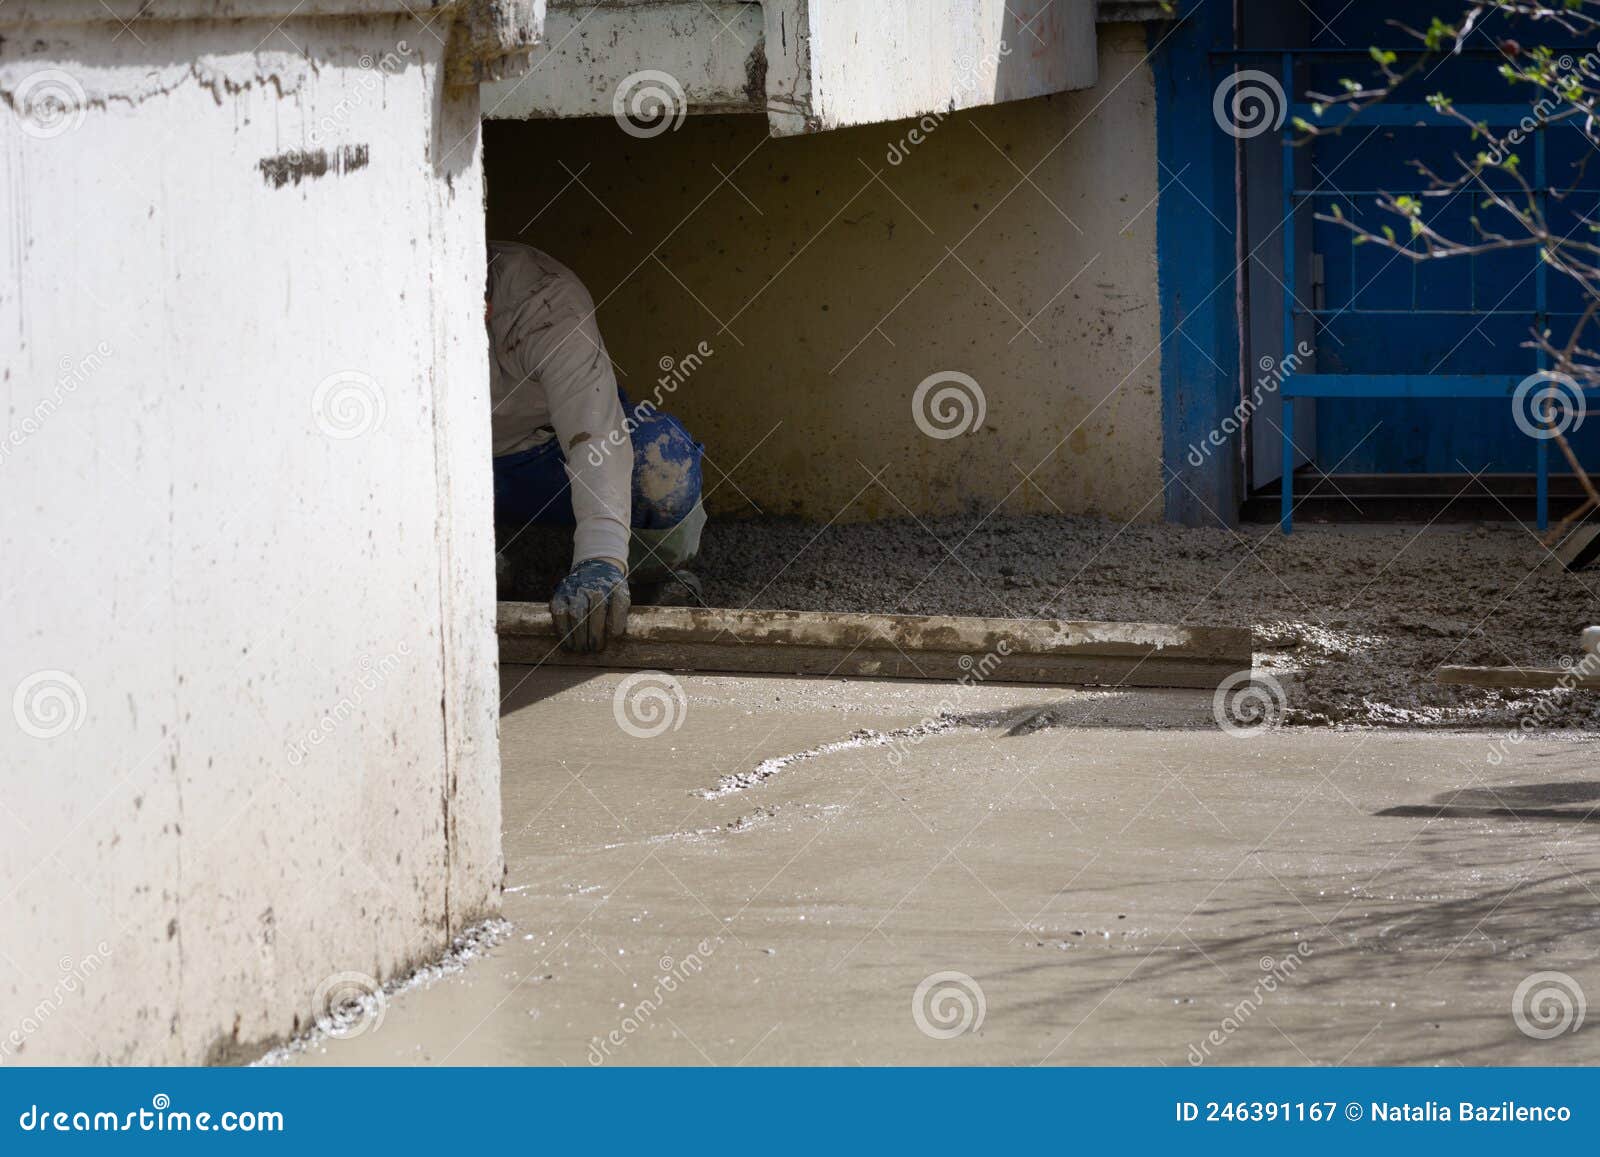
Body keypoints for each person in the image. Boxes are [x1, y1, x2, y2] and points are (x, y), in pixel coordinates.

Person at [487, 240, 705, 652]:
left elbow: (594, 437)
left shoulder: (543, 297)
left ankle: (645, 576)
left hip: (548, 456)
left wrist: (600, 561)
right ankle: (493, 567)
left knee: (663, 467)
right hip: (456, 474)